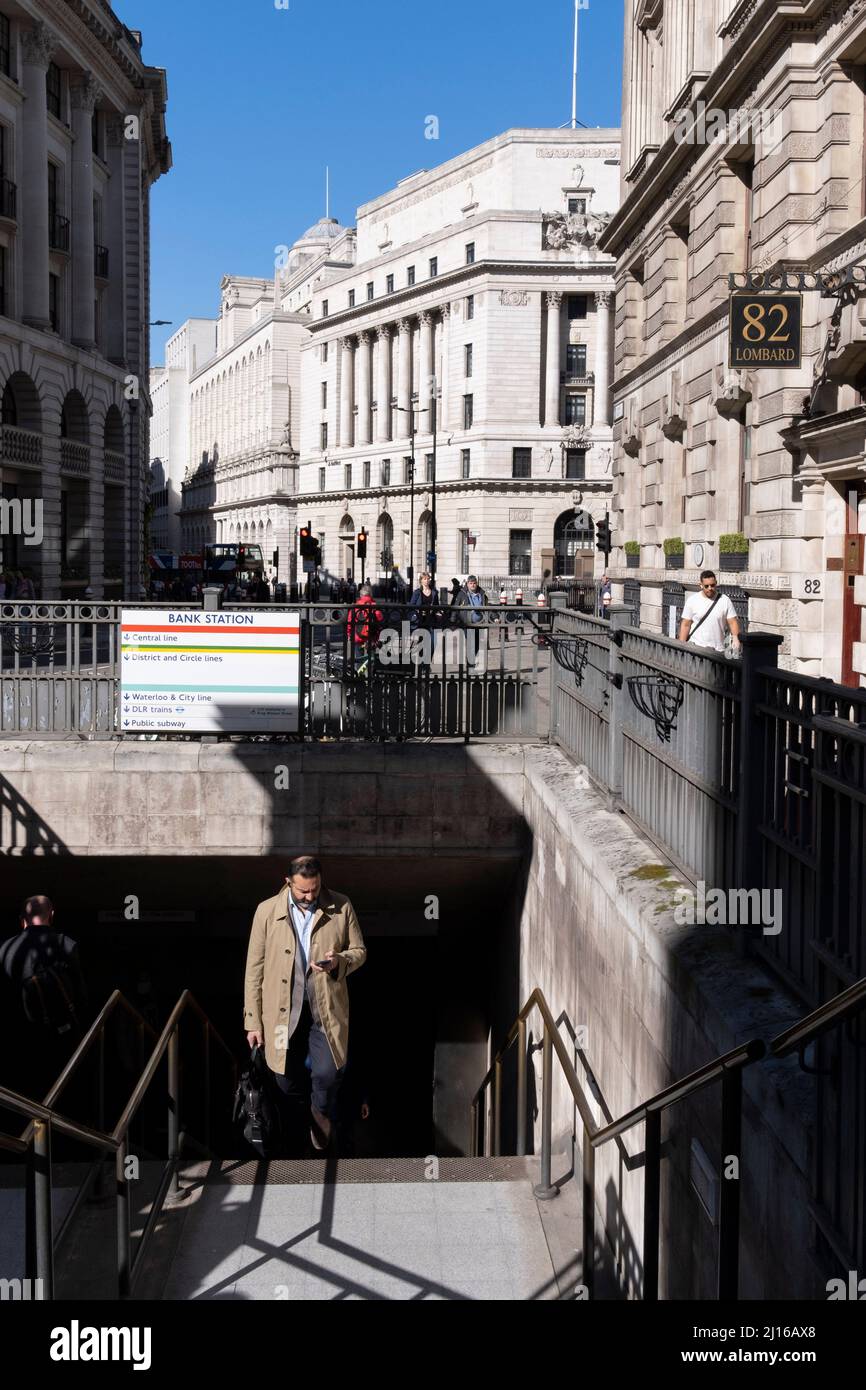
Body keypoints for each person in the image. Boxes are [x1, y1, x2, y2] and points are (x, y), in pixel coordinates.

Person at [243, 856, 366, 1153]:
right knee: (283, 1077)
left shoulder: (341, 905)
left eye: (315, 889)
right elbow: (254, 969)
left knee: (328, 1071)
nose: (310, 897)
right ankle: (301, 1123)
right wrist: (253, 1021)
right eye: (303, 892)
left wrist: (340, 961)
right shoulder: (266, 912)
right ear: (288, 882)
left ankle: (319, 1112)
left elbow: (360, 951)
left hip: (325, 1010)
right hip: (282, 1014)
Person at [0, 896, 88, 1097]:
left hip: (17, 1041)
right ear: (52, 915)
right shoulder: (66, 944)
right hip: (60, 1038)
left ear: (22, 919)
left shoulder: (4, 950)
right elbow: (82, 995)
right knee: (62, 1093)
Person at [678, 570, 742, 655]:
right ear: (700, 585)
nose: (710, 588)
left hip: (717, 651)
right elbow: (686, 624)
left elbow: (732, 623)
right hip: (696, 649)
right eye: (706, 586)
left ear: (716, 583)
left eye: (712, 585)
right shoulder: (692, 600)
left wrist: (736, 643)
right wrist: (680, 648)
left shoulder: (725, 600)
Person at [452, 574, 489, 671]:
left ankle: (471, 660)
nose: (473, 585)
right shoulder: (462, 593)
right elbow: (455, 607)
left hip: (479, 623)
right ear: (467, 584)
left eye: (474, 583)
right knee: (470, 642)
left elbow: (488, 607)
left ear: (476, 584)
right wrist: (452, 621)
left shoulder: (482, 594)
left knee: (477, 643)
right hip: (467, 622)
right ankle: (470, 664)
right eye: (471, 583)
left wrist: (495, 617)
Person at [346, 582, 384, 673]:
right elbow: (380, 623)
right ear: (370, 595)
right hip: (372, 637)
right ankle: (370, 677)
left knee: (358, 658)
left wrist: (349, 634)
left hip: (358, 637)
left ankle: (360, 677)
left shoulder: (355, 607)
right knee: (371, 659)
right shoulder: (375, 607)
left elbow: (349, 623)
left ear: (361, 595)